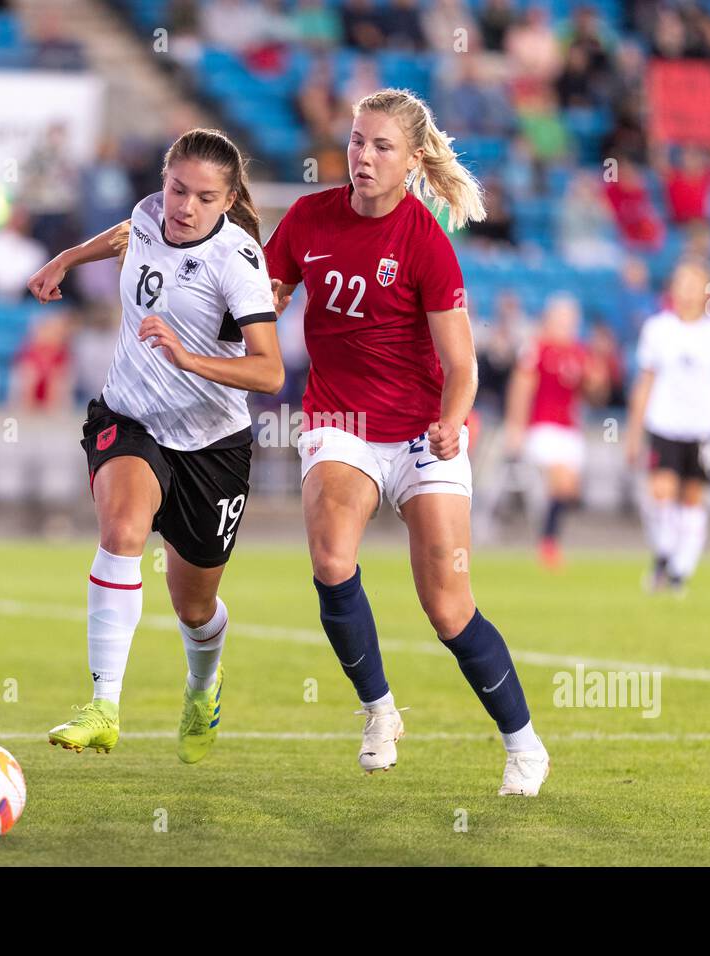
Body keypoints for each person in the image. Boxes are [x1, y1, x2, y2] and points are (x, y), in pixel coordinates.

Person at [265, 88, 550, 797]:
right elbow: (264, 298)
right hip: (340, 422)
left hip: (424, 434)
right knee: (332, 558)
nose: (362, 155)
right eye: (358, 140)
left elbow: (463, 366)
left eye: (381, 146)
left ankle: (523, 745)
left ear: (413, 159)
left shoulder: (425, 240)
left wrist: (453, 421)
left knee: (448, 608)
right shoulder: (306, 219)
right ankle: (380, 711)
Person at [26, 128, 284, 762]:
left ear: (227, 201)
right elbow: (127, 232)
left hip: (213, 445)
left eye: (202, 197)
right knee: (122, 532)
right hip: (130, 417)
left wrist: (189, 356)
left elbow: (270, 372)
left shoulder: (239, 261)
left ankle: (203, 684)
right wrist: (68, 257)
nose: (184, 206)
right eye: (176, 189)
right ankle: (104, 705)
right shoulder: (148, 214)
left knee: (194, 608)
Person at [626, 260, 710, 596]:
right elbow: (644, 384)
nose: (687, 292)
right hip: (665, 426)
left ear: (707, 292)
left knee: (692, 499)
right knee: (660, 497)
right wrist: (632, 434)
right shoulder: (657, 329)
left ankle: (679, 571)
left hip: (704, 430)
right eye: (682, 284)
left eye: (694, 285)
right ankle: (664, 553)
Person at [502, 294, 607, 569]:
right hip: (542, 426)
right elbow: (522, 388)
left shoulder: (580, 352)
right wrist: (516, 426)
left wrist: (598, 380)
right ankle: (548, 544)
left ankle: (546, 536)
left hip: (570, 429)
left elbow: (595, 395)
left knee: (568, 489)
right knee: (561, 482)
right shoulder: (537, 348)